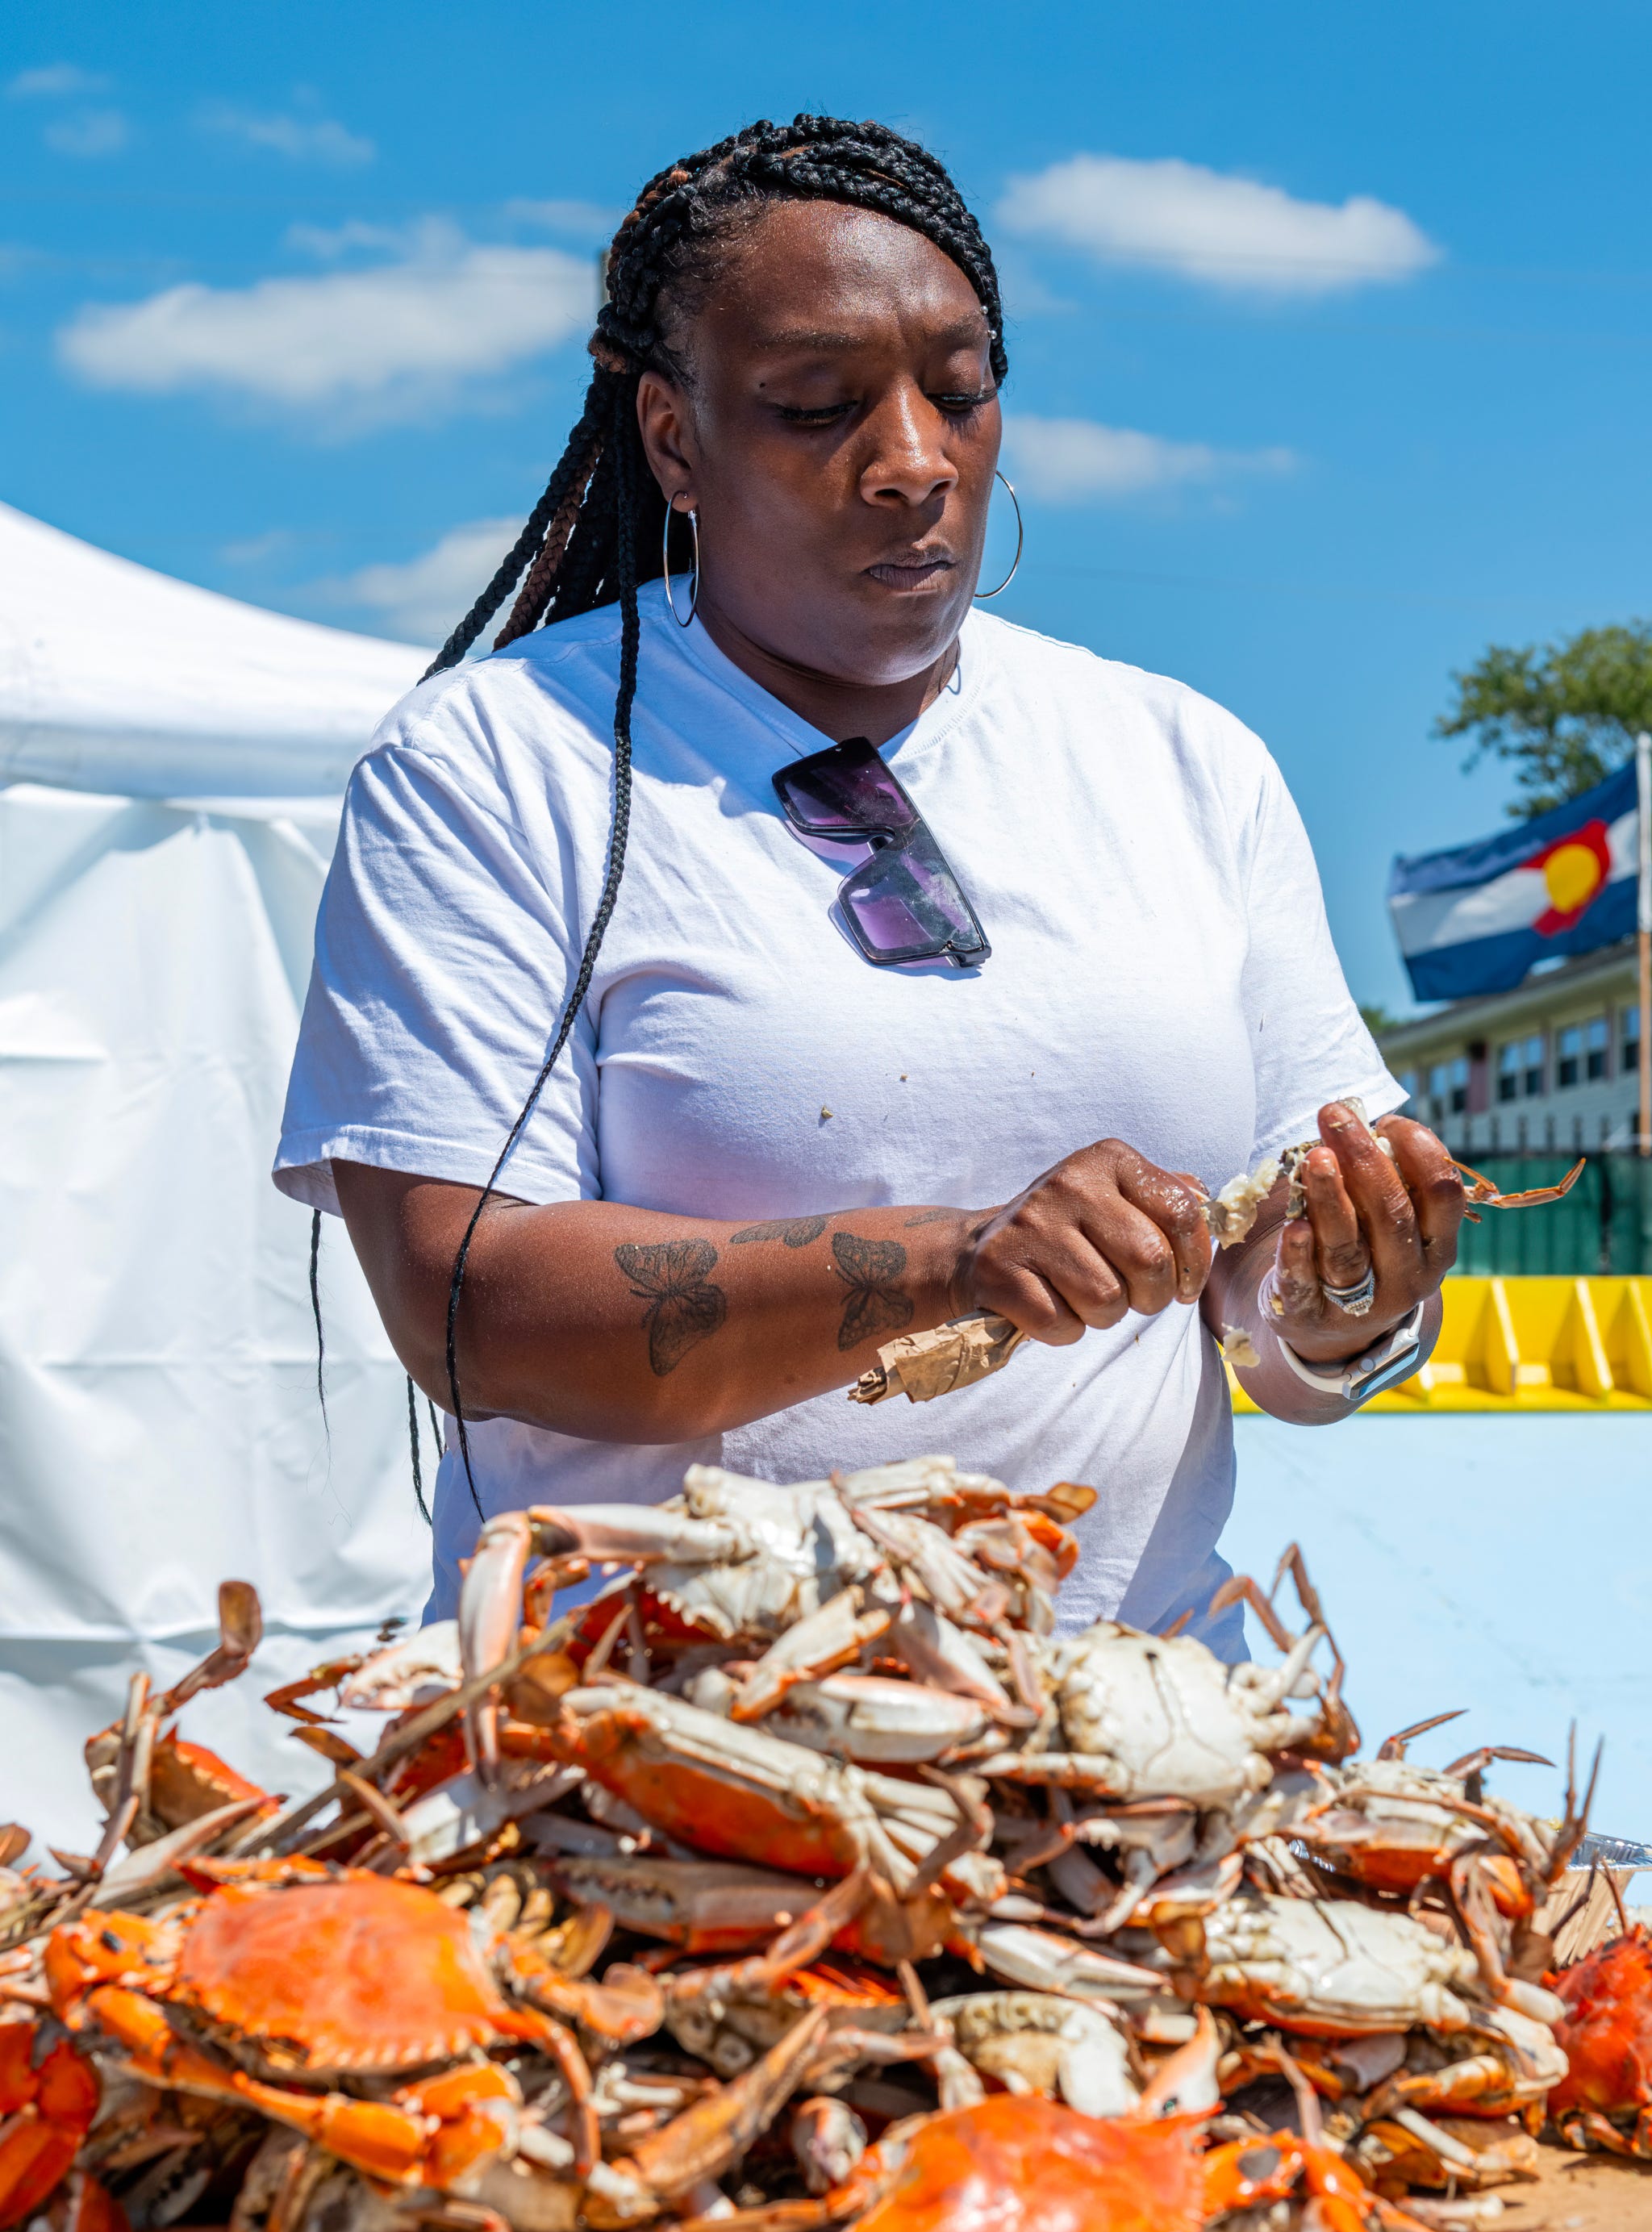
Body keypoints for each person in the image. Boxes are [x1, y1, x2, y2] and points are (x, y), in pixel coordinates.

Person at [275, 115, 1464, 1648]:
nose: (915, 462)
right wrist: (953, 1258)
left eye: (962, 393)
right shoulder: (500, 765)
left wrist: (1345, 1307)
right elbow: (470, 1308)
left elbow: (1276, 1315)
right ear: (671, 438)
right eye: (818, 406)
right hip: (662, 1757)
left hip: (1133, 1746)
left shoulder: (1185, 759)